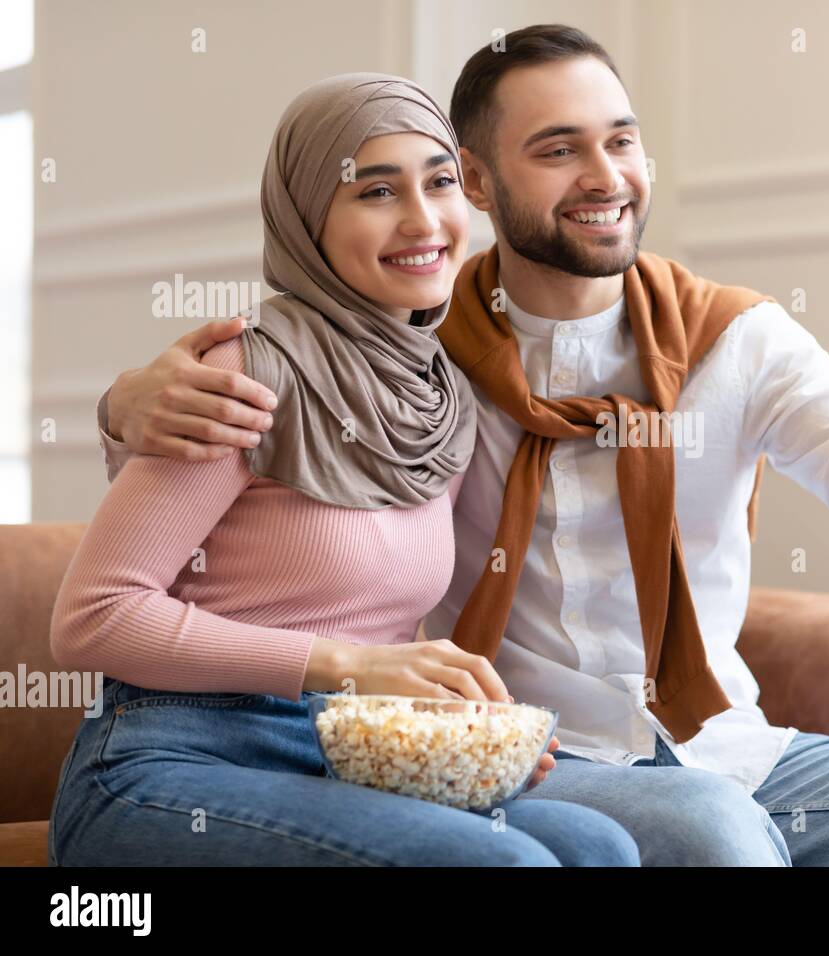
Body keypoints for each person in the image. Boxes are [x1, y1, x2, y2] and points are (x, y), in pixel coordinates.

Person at [97, 26, 829, 866]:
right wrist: (124, 403)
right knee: (712, 834)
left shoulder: (730, 335)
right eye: (558, 149)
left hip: (721, 742)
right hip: (530, 752)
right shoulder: (417, 356)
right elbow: (278, 392)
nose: (604, 177)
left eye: (621, 141)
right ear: (479, 179)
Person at [47, 72, 639, 867]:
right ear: (306, 216)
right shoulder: (247, 370)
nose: (423, 221)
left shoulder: (439, 397)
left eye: (438, 184)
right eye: (376, 193)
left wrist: (450, 725)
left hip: (341, 753)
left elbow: (380, 621)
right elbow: (93, 616)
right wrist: (349, 667)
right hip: (172, 757)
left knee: (598, 846)